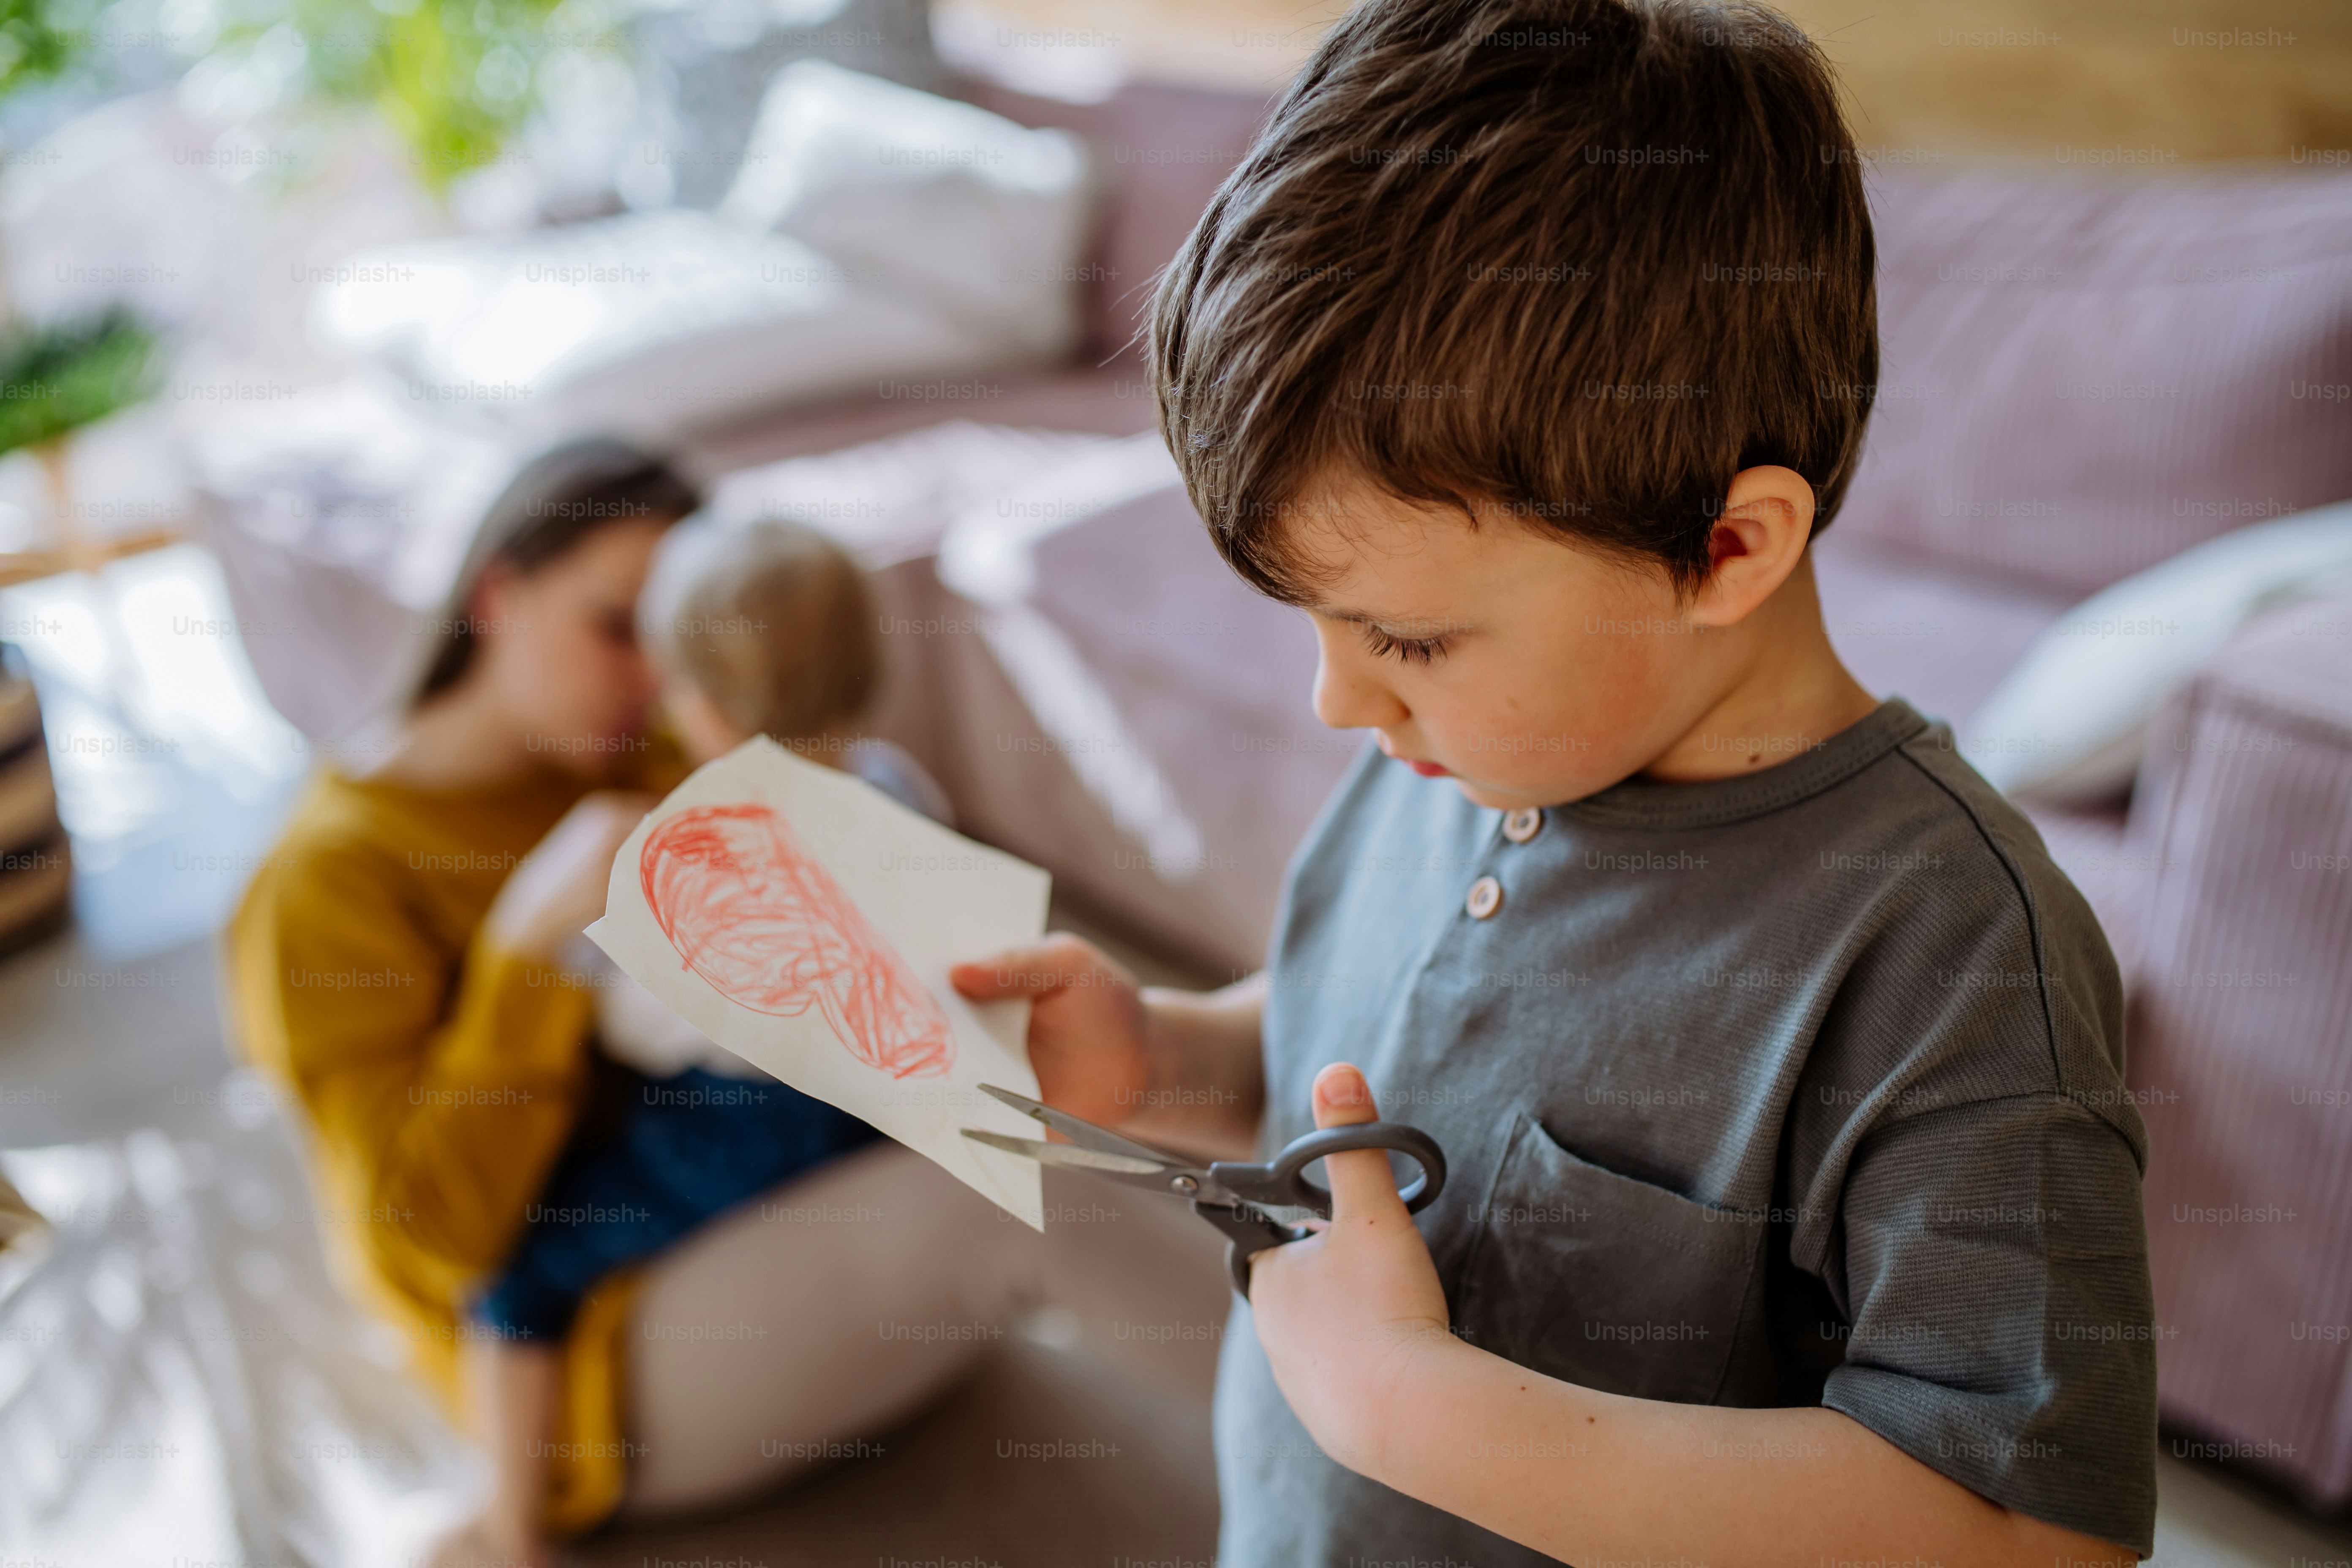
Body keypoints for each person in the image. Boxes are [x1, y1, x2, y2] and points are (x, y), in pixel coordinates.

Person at [951, 1, 2157, 1565]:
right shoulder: (1465, 748)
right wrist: (1158, 1059)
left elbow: (2033, 1536)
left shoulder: (1949, 956)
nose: (1338, 699)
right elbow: (1367, 1074)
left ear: (1729, 548)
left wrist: (1411, 1406)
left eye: (1408, 636)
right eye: (1319, 626)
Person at [230, 446, 1036, 1568]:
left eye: (680, 646)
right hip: (599, 1358)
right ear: (497, 596)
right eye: (621, 629)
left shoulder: (671, 746)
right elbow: (433, 1241)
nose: (656, 684)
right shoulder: (326, 884)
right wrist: (526, 947)